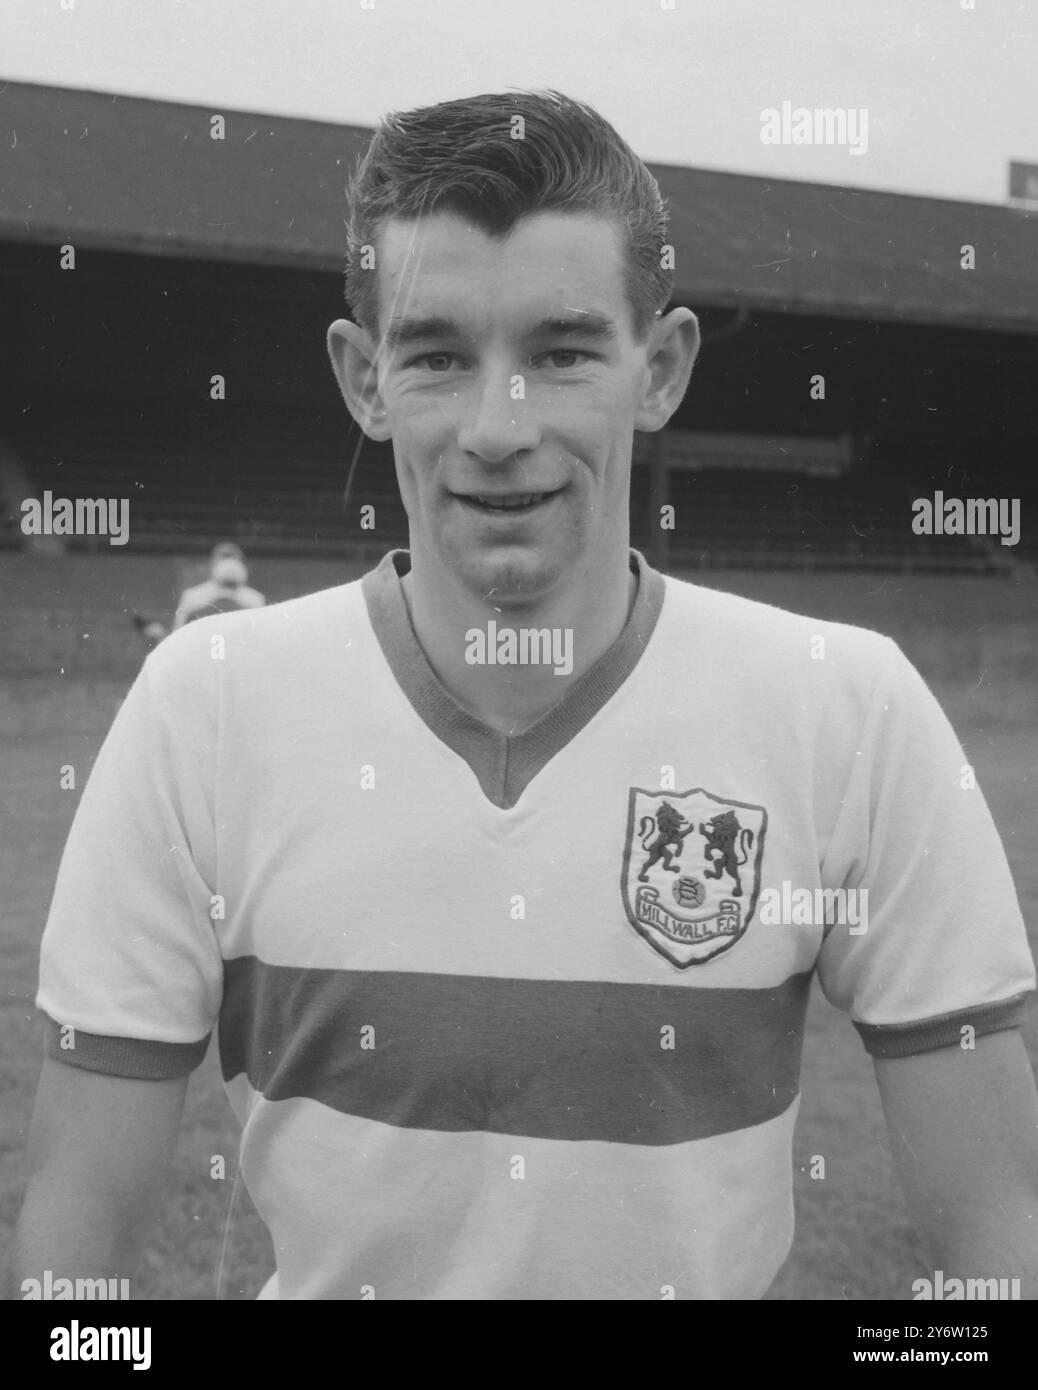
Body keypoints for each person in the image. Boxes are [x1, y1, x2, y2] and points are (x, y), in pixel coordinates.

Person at [10, 90, 1037, 1302]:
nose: (501, 429)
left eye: (561, 352)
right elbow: (73, 1266)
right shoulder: (205, 709)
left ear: (659, 369)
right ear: (364, 379)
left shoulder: (847, 709)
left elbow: (1001, 1245)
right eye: (440, 355)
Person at [172, 542, 266, 628]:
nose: (228, 564)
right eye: (223, 558)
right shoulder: (192, 596)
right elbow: (178, 631)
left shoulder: (255, 598)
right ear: (212, 563)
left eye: (231, 558)